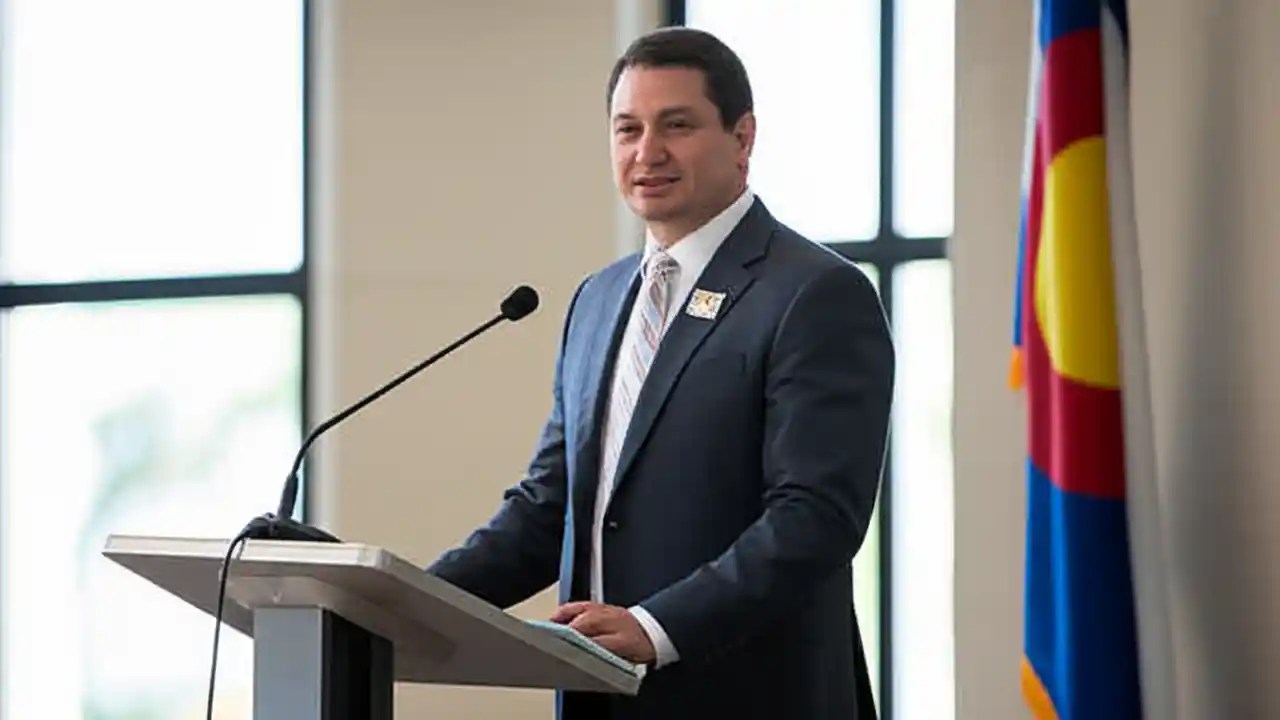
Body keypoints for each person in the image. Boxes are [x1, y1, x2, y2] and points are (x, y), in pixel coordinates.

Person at [427, 26, 894, 720]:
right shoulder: (597, 299)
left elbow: (814, 519)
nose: (648, 152)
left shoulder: (815, 293)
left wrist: (653, 628)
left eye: (677, 125)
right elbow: (549, 509)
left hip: (754, 696)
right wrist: (403, 601)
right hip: (601, 697)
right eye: (627, 129)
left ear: (743, 138)